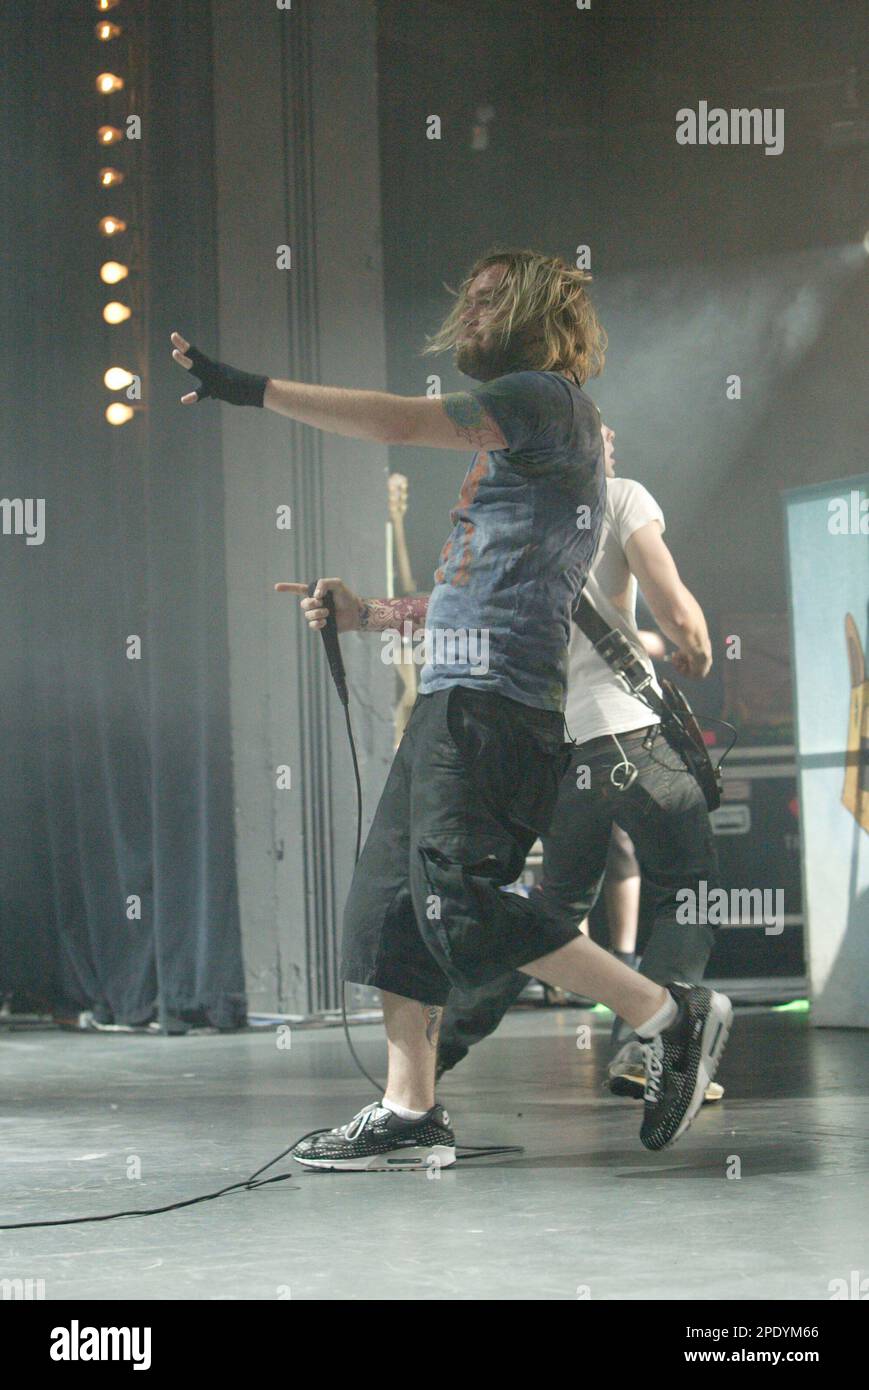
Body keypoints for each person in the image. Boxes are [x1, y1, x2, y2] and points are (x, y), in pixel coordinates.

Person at [172, 247, 732, 1171]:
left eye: (485, 301)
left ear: (533, 311)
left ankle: (666, 1016)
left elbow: (399, 421)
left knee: (459, 907)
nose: (466, 317)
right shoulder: (526, 437)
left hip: (495, 708)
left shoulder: (543, 399)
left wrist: (250, 388)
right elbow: (489, 586)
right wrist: (369, 615)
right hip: (457, 696)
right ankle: (408, 1111)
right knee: (387, 911)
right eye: (464, 301)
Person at [434, 423, 726, 1103]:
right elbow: (678, 613)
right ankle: (652, 1049)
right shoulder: (620, 497)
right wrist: (698, 649)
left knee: (551, 913)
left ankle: (432, 1052)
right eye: (598, 433)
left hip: (557, 753)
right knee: (689, 887)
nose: (613, 440)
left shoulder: (500, 527)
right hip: (630, 739)